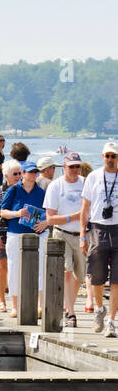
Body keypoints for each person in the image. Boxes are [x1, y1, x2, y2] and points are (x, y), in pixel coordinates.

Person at [42, 151, 87, 326]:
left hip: (83, 235)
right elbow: (50, 219)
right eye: (71, 166)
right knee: (66, 272)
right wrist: (73, 217)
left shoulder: (86, 183)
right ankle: (71, 313)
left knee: (79, 276)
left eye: (78, 166)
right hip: (62, 233)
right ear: (64, 167)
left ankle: (69, 307)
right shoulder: (56, 186)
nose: (75, 170)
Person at [0, 160, 46, 318]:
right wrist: (17, 214)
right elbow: (2, 212)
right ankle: (15, 305)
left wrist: (44, 222)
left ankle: (39, 305)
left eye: (35, 172)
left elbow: (47, 212)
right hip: (15, 232)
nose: (34, 174)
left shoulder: (41, 192)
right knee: (14, 267)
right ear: (23, 174)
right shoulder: (13, 190)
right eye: (31, 172)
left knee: (39, 269)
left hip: (36, 233)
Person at [80, 141, 118, 335]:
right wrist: (82, 235)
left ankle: (111, 320)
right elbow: (85, 207)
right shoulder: (94, 177)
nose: (110, 159)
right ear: (102, 156)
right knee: (96, 275)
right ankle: (99, 309)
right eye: (108, 156)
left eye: (114, 156)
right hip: (97, 228)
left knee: (116, 280)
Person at [0, 158, 22, 312]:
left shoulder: (24, 190)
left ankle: (18, 299)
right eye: (15, 174)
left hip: (19, 231)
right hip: (2, 231)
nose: (19, 176)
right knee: (2, 267)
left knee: (18, 267)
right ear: (7, 176)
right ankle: (2, 301)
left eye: (20, 173)